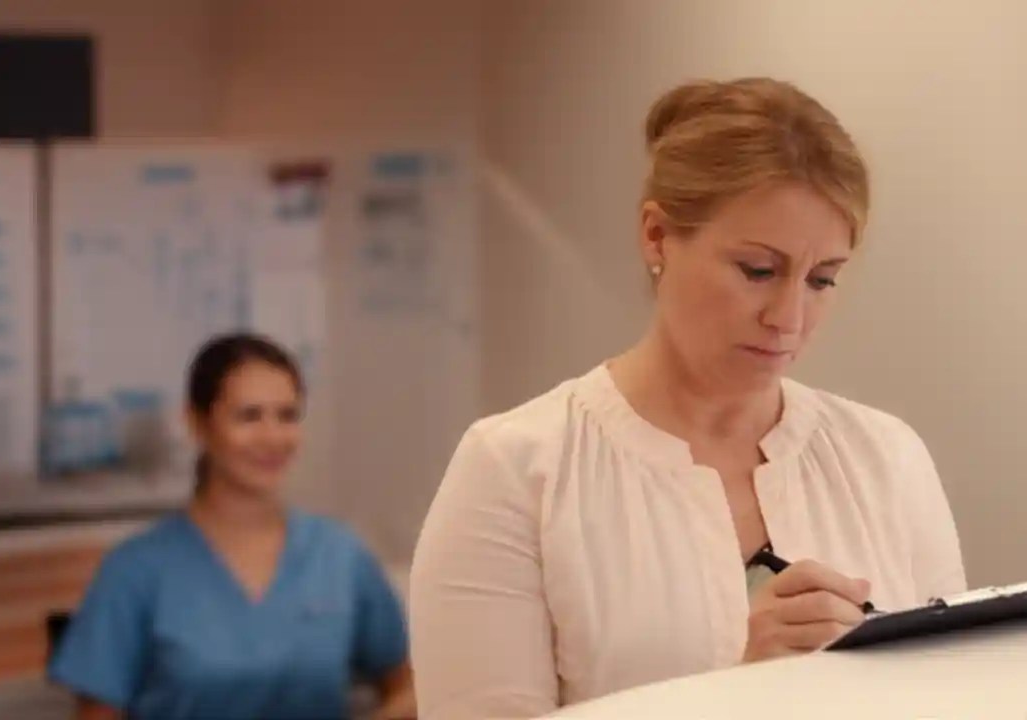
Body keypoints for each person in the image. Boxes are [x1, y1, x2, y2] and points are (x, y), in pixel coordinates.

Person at [409, 77, 966, 719]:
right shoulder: (515, 473)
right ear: (656, 236)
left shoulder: (885, 457)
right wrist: (741, 697)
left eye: (822, 279)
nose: (788, 317)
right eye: (757, 270)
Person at [50, 333, 414, 720]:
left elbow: (408, 685)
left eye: (287, 416)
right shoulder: (135, 571)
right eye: (248, 416)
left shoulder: (339, 556)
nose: (273, 437)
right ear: (197, 423)